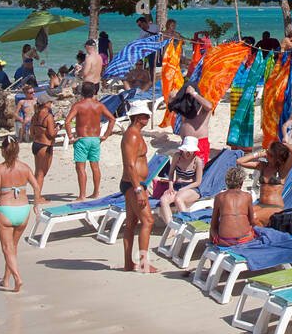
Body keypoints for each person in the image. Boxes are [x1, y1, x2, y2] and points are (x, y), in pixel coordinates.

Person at [0, 136, 40, 292]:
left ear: (4, 151)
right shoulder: (25, 168)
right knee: (13, 247)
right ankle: (6, 279)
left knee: (6, 247)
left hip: (6, 210)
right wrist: (36, 206)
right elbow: (36, 187)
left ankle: (17, 278)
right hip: (23, 210)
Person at [119, 100, 157, 273]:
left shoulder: (135, 134)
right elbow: (130, 164)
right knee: (148, 221)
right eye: (145, 115)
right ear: (136, 117)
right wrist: (138, 189)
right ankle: (143, 263)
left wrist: (141, 185)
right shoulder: (132, 135)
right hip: (132, 184)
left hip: (135, 183)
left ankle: (128, 263)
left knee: (132, 223)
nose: (148, 117)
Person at [63, 80, 117, 199]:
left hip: (82, 139)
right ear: (94, 91)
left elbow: (67, 122)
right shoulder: (99, 105)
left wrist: (71, 137)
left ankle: (82, 195)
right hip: (95, 139)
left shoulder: (78, 105)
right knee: (95, 166)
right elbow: (112, 119)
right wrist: (106, 135)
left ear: (82, 92)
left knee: (80, 167)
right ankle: (96, 193)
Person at [237, 140, 292, 226]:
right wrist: (258, 154)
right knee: (239, 215)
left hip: (275, 207)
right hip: (260, 204)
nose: (267, 155)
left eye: (270, 155)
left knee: (254, 217)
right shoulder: (262, 166)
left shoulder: (282, 171)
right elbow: (240, 161)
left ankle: (260, 233)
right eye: (267, 153)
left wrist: (284, 144)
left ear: (277, 157)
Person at [156, 136, 204, 227]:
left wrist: (184, 189)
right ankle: (171, 227)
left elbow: (198, 182)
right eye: (187, 150)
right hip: (177, 186)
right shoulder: (177, 157)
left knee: (178, 199)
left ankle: (187, 225)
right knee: (164, 200)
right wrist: (170, 186)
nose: (188, 153)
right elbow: (170, 174)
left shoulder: (197, 161)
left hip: (192, 188)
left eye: (190, 150)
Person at [210, 166, 257, 246]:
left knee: (211, 229)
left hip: (225, 241)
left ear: (226, 182)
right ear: (241, 182)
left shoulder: (219, 197)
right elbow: (252, 221)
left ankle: (212, 251)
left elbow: (214, 224)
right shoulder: (247, 196)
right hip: (245, 239)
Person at [174, 82, 215, 163]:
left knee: (198, 168)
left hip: (199, 143)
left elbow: (209, 106)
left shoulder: (202, 106)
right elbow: (172, 103)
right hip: (185, 142)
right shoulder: (186, 107)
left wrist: (194, 94)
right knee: (185, 169)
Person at [30, 91, 57, 199]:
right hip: (45, 146)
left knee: (38, 172)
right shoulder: (48, 116)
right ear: (45, 103)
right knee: (42, 173)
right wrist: (57, 129)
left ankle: (37, 193)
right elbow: (51, 134)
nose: (51, 103)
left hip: (36, 144)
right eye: (49, 102)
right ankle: (38, 197)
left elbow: (32, 133)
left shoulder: (35, 116)